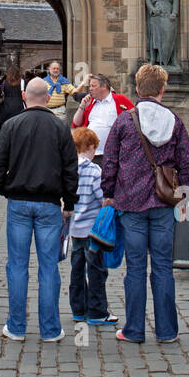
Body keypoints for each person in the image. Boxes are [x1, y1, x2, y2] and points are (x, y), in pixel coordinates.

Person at [101, 63, 189, 344]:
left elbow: (110, 161)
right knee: (164, 267)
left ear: (138, 89)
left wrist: (108, 193)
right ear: (163, 90)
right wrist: (184, 196)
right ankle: (167, 331)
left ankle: (134, 330)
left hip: (131, 203)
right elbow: (187, 163)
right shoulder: (175, 121)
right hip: (164, 203)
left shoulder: (124, 121)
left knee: (136, 269)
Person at [0, 76, 79, 342]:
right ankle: (50, 329)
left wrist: (7, 189)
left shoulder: (11, 125)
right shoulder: (61, 127)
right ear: (48, 97)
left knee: (17, 265)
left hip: (18, 203)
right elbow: (70, 170)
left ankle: (16, 327)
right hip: (50, 205)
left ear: (25, 96)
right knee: (49, 268)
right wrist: (70, 203)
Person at [68, 127, 118, 327]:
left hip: (75, 227)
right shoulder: (94, 171)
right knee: (96, 269)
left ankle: (78, 309)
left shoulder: (69, 169)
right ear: (90, 147)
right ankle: (97, 311)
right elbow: (102, 197)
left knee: (77, 269)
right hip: (92, 229)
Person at [71, 72, 134, 154]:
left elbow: (135, 118)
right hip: (91, 154)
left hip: (113, 154)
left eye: (93, 86)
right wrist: (82, 106)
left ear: (104, 86)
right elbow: (76, 123)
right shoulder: (90, 102)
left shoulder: (120, 100)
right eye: (90, 86)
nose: (90, 88)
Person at [0, 64, 25, 129]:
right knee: (18, 127)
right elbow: (24, 94)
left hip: (7, 106)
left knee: (7, 126)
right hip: (19, 106)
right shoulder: (22, 81)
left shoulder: (4, 82)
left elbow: (1, 94)